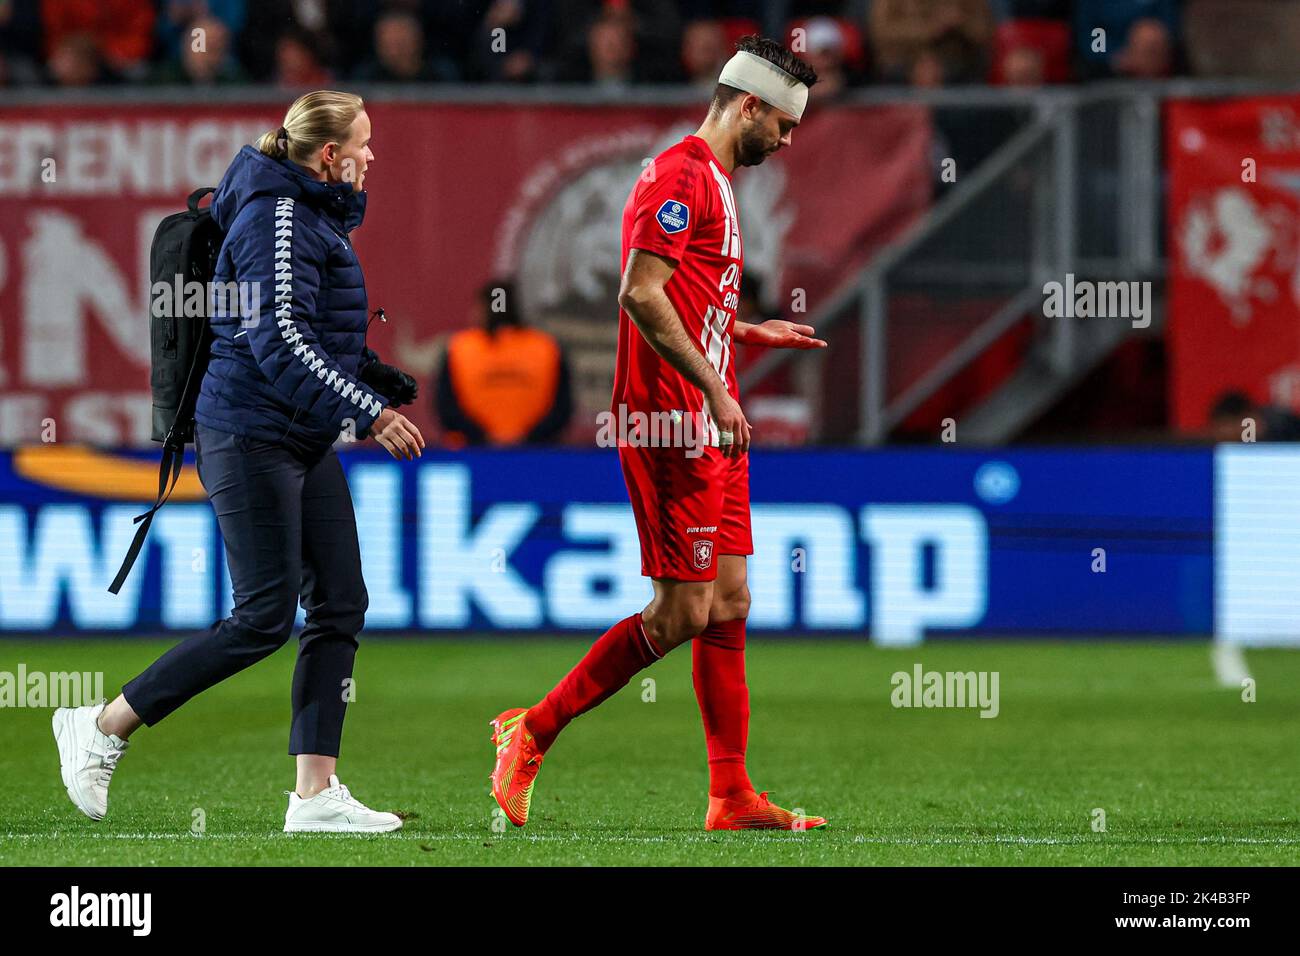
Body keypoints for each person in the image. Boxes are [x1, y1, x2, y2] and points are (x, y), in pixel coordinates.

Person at [52, 90, 425, 833]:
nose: (371, 156)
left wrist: (368, 374)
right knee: (262, 617)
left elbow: (303, 331)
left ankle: (315, 797)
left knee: (340, 602)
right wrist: (365, 409)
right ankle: (100, 725)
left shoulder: (303, 212)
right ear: (329, 155)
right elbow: (276, 342)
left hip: (295, 432)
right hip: (250, 434)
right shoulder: (278, 217)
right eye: (363, 143)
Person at [489, 35, 830, 831]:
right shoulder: (680, 177)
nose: (784, 143)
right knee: (680, 612)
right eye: (781, 126)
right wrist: (715, 388)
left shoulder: (711, 178)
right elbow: (640, 295)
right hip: (675, 419)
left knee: (731, 599)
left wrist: (744, 331)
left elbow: (684, 295)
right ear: (749, 105)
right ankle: (530, 730)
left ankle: (731, 794)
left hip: (710, 410)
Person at [435, 280, 573, 446]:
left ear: (485, 309)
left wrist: (483, 438)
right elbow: (562, 409)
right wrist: (527, 440)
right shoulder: (547, 347)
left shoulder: (459, 347)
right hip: (536, 455)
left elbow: (446, 407)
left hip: (474, 454)